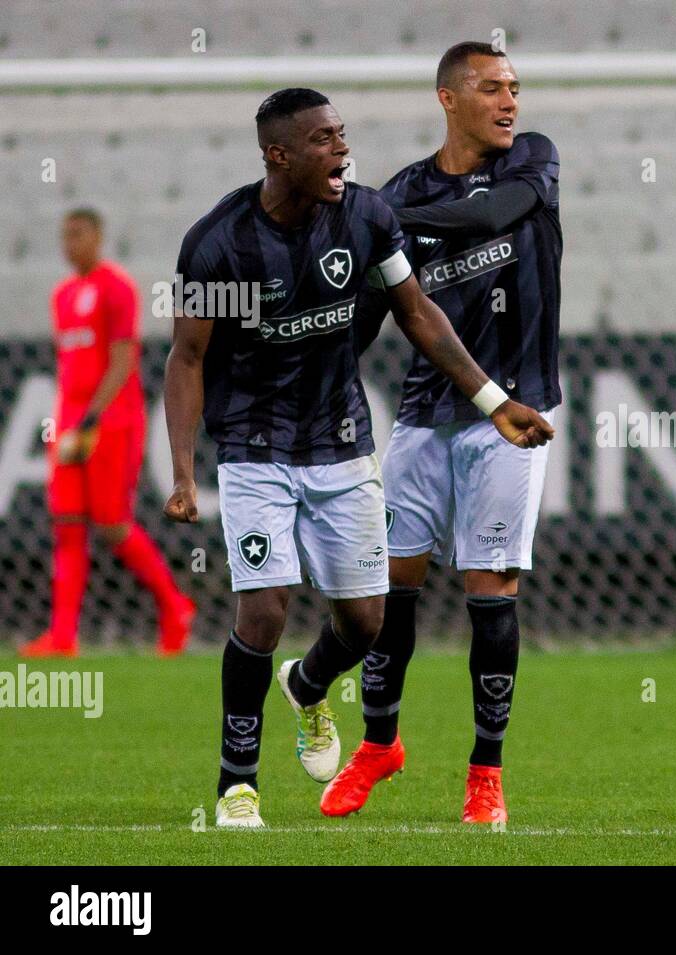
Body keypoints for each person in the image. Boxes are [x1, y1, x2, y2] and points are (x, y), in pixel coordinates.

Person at [163, 87, 552, 829]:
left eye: (343, 135)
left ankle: (308, 689)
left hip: (341, 442)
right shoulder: (218, 241)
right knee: (265, 607)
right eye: (323, 139)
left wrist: (493, 402)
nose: (342, 149)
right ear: (278, 153)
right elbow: (186, 357)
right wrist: (184, 471)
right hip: (253, 446)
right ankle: (236, 783)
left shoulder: (367, 216)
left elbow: (418, 314)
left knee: (368, 622)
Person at [323, 42, 561, 826]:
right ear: (448, 97)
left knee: (489, 591)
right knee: (390, 590)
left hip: (513, 415)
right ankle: (379, 743)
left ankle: (485, 773)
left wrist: (379, 218)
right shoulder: (404, 187)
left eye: (515, 88)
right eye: (492, 88)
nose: (510, 101)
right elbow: (373, 306)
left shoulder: (532, 160)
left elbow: (489, 215)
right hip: (426, 412)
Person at [22, 208, 193, 659]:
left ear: (98, 236)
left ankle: (176, 607)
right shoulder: (63, 295)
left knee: (113, 523)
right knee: (67, 525)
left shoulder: (116, 288)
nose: (69, 243)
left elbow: (123, 360)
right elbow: (69, 366)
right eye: (64, 235)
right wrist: (66, 421)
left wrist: (92, 417)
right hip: (72, 421)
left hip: (110, 421)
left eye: (77, 234)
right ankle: (62, 637)